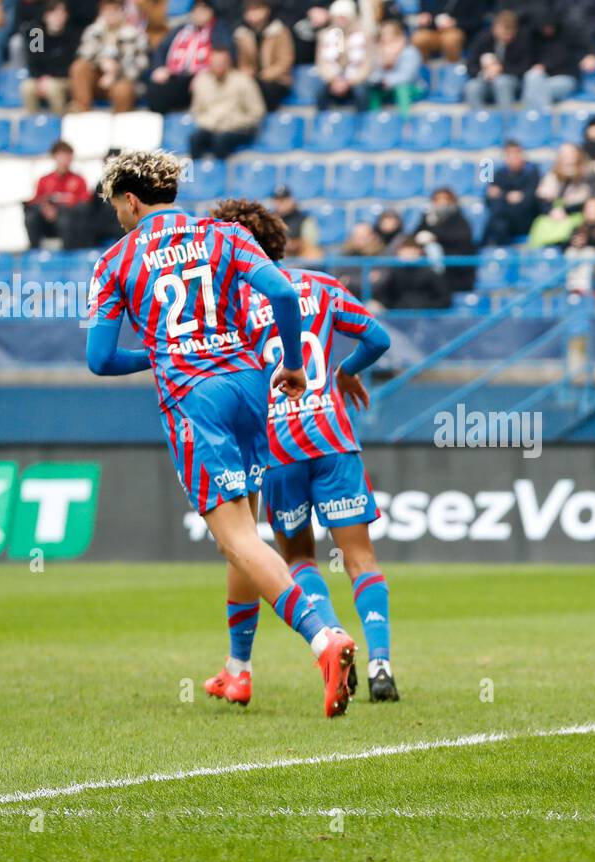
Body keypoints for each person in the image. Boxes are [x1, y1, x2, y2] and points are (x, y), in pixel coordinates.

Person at [85, 149, 358, 718]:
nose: (117, 216)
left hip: (194, 401)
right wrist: (292, 362)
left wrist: (162, 351)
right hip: (249, 385)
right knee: (245, 537)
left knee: (235, 539)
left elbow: (101, 360)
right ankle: (237, 671)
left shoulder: (116, 260)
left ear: (130, 200)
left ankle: (323, 640)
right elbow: (283, 294)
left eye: (115, 206)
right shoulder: (223, 234)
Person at [204, 198, 399, 704]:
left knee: (298, 558)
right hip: (333, 439)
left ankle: (333, 638)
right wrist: (346, 370)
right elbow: (377, 337)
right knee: (360, 558)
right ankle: (381, 665)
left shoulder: (231, 304)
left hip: (277, 447)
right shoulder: (320, 285)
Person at [146, 0, 229, 114]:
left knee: (204, 85)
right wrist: (159, 67)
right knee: (155, 89)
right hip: (176, 76)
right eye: (196, 9)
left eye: (204, 9)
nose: (199, 12)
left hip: (205, 77)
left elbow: (223, 55)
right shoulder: (180, 30)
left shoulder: (219, 31)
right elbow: (160, 50)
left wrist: (207, 73)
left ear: (211, 12)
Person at [69, 0, 149, 112]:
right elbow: (83, 55)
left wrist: (116, 71)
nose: (110, 14)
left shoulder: (135, 34)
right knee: (79, 67)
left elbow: (141, 65)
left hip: (121, 80)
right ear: (101, 12)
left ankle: (119, 122)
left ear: (121, 11)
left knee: (123, 90)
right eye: (107, 10)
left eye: (114, 10)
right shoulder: (92, 31)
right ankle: (83, 111)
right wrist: (101, 63)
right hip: (97, 78)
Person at [188, 46, 265, 158]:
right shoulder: (201, 82)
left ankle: (223, 172)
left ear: (229, 63)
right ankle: (199, 172)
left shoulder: (244, 81)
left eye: (221, 63)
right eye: (215, 63)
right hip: (211, 127)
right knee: (194, 139)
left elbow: (257, 112)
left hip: (237, 129)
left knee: (221, 141)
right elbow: (196, 110)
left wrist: (233, 122)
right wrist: (209, 122)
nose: (218, 66)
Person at [520, 6, 595, 110]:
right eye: (544, 27)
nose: (547, 29)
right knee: (531, 77)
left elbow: (588, 43)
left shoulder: (569, 33)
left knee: (535, 90)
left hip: (566, 77)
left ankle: (538, 120)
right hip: (543, 78)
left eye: (550, 26)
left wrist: (592, 55)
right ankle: (540, 119)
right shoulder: (535, 37)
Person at [24, 140, 89, 248]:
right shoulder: (44, 180)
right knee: (31, 217)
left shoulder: (78, 180)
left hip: (68, 221)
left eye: (68, 156)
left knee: (66, 220)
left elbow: (84, 203)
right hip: (46, 221)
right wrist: (46, 209)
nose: (65, 159)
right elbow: (36, 200)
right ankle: (34, 250)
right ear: (54, 157)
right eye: (62, 155)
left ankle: (69, 252)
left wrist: (59, 210)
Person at [463, 9, 531, 108]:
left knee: (501, 82)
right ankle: (479, 120)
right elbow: (470, 64)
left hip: (511, 80)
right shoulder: (483, 39)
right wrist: (484, 73)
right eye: (504, 33)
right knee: (472, 87)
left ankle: (507, 120)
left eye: (510, 34)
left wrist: (501, 69)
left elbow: (524, 68)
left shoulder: (521, 41)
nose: (507, 37)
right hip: (485, 79)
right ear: (495, 29)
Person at [233, 0, 293, 110]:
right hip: (252, 79)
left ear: (266, 10)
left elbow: (285, 60)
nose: (253, 14)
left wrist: (265, 75)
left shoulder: (280, 31)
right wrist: (248, 74)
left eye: (257, 9)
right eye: (250, 10)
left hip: (277, 79)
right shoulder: (242, 34)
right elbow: (243, 62)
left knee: (265, 89)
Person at [20, 0, 78, 114]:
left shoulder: (72, 35)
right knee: (26, 87)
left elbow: (69, 64)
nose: (58, 16)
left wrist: (49, 78)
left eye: (62, 13)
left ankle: (59, 122)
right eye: (54, 13)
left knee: (52, 87)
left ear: (66, 16)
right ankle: (34, 122)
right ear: (46, 16)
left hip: (64, 78)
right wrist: (40, 78)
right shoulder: (37, 34)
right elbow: (33, 61)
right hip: (41, 78)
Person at [416, 187, 477, 292]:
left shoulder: (459, 219)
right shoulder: (427, 218)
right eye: (438, 199)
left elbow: (463, 240)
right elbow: (416, 237)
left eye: (445, 199)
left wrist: (435, 237)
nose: (441, 202)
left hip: (454, 271)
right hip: (427, 272)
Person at [315, 0, 372, 110]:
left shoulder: (363, 35)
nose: (341, 20)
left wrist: (350, 81)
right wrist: (333, 79)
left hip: (355, 79)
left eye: (344, 17)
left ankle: (361, 125)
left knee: (361, 92)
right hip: (333, 79)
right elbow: (321, 63)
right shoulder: (325, 35)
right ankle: (322, 124)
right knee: (320, 91)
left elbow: (367, 64)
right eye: (338, 17)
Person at [483, 139, 541, 246]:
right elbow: (489, 199)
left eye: (516, 153)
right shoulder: (499, 174)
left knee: (498, 219)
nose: (513, 158)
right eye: (509, 154)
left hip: (526, 220)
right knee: (498, 220)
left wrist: (501, 194)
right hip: (504, 220)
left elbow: (529, 200)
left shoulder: (532, 173)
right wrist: (508, 196)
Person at [372, 236, 451, 308]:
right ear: (399, 253)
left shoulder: (430, 273)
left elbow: (443, 298)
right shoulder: (393, 273)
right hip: (399, 315)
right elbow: (385, 295)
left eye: (412, 250)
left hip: (426, 317)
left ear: (419, 252)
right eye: (405, 250)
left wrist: (428, 309)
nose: (408, 254)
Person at [368, 18, 423, 112]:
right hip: (386, 88)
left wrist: (388, 81)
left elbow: (407, 76)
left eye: (388, 34)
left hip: (412, 86)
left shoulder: (410, 52)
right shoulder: (379, 51)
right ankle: (374, 121)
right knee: (373, 92)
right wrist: (381, 72)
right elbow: (372, 75)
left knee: (402, 89)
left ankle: (406, 122)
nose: (385, 36)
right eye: (384, 34)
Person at [411, 0, 491, 62]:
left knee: (451, 39)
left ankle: (452, 73)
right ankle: (422, 71)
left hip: (460, 30)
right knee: (419, 38)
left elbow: (476, 21)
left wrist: (454, 22)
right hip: (436, 28)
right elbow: (435, 11)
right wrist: (430, 17)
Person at [272, 185, 322, 258]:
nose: (280, 203)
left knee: (314, 253)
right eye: (277, 199)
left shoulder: (304, 219)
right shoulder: (269, 219)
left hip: (298, 255)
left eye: (284, 199)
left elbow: (310, 242)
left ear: (291, 200)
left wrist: (294, 244)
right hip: (275, 255)